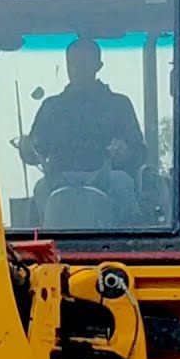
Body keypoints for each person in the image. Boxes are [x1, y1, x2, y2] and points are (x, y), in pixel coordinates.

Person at [18, 37, 145, 222]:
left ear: (98, 66)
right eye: (73, 63)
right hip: (58, 181)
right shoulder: (51, 107)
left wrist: (125, 152)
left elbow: (139, 152)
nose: (77, 69)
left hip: (108, 178)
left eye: (85, 63)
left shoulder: (119, 105)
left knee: (123, 183)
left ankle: (133, 240)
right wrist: (27, 148)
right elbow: (36, 149)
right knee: (40, 189)